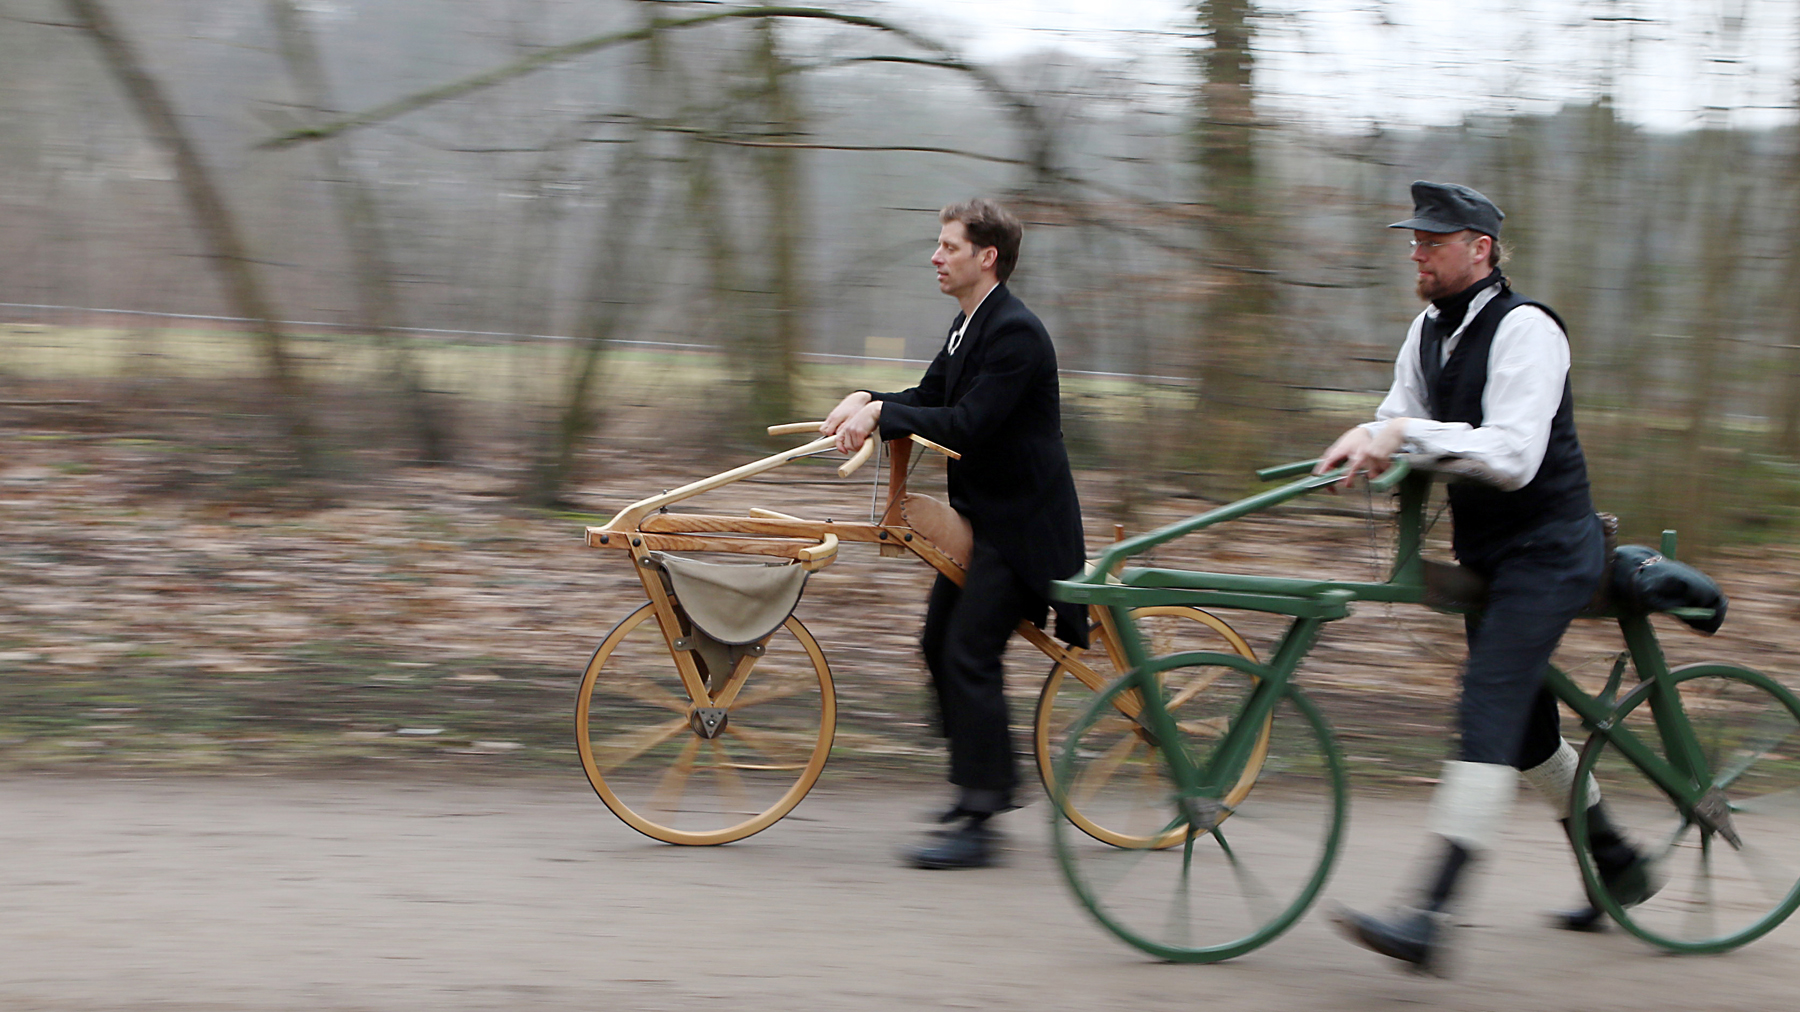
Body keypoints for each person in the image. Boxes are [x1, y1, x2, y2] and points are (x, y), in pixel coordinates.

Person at [1321, 181, 1657, 971]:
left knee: (1486, 708)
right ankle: (1618, 862)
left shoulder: (1528, 329)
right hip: (1491, 554)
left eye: (1433, 242)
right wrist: (1367, 441)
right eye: (1415, 240)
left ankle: (1429, 917)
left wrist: (1402, 432)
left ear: (1481, 249)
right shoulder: (1427, 332)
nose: (1417, 253)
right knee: (1531, 736)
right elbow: (1399, 416)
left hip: (1551, 551)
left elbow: (1511, 456)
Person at [821, 198, 1088, 869]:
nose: (935, 257)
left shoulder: (1016, 333)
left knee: (969, 651)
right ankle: (979, 786)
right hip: (988, 520)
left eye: (948, 246)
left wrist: (881, 415)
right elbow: (930, 398)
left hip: (1024, 530)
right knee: (938, 643)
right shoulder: (971, 325)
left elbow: (967, 424)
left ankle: (980, 816)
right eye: (938, 245)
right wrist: (865, 399)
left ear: (986, 257)